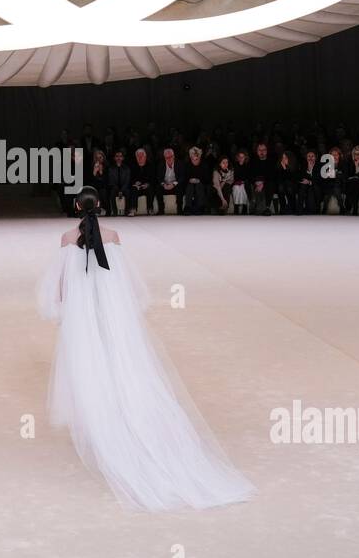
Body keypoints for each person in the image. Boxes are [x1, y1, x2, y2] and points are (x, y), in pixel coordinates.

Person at [36, 186, 254, 511]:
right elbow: (124, 284)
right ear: (101, 205)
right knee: (117, 365)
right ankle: (118, 420)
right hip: (110, 316)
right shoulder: (113, 236)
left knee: (88, 367)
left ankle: (97, 425)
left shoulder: (67, 239)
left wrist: (67, 313)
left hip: (82, 318)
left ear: (77, 207)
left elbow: (61, 287)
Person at [107, 149, 134, 216]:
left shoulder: (127, 168)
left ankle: (127, 211)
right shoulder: (111, 168)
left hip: (124, 188)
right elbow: (111, 181)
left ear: (123, 158)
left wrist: (121, 190)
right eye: (117, 156)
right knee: (112, 192)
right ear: (114, 158)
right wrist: (118, 190)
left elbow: (127, 181)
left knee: (128, 192)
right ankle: (114, 211)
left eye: (120, 156)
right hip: (115, 187)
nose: (119, 158)